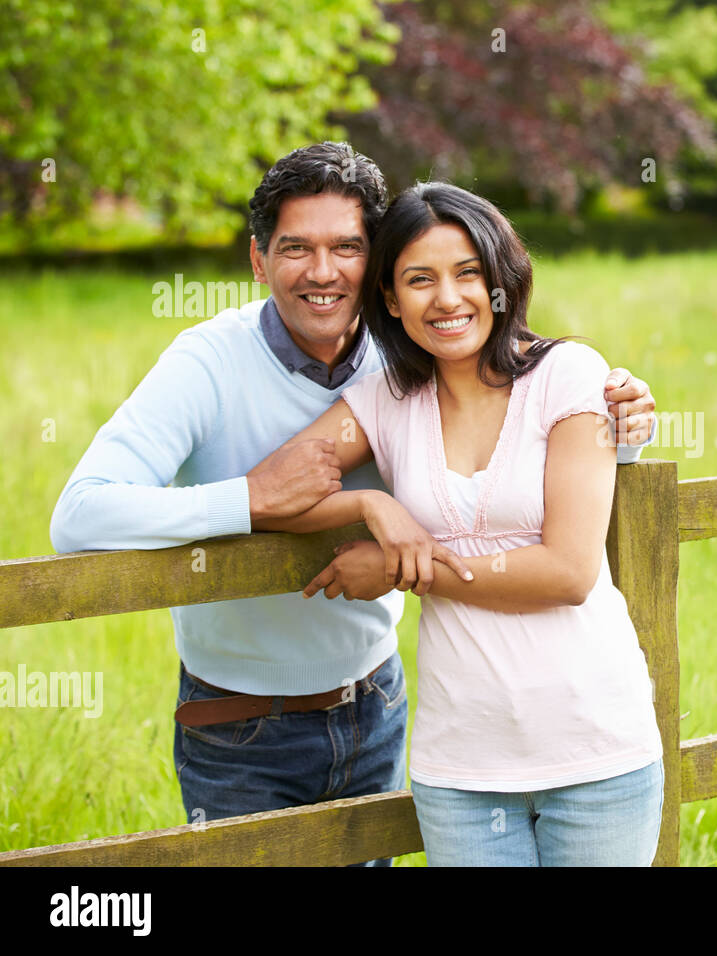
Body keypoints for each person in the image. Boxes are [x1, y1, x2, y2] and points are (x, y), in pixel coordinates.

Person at [48, 143, 658, 865]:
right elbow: (89, 514)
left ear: (374, 268)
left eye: (347, 247)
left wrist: (616, 431)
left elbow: (554, 528)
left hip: (380, 706)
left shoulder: (425, 358)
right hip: (243, 721)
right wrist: (361, 508)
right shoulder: (245, 368)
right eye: (296, 248)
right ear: (258, 260)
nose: (323, 271)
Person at [252, 180, 664, 866]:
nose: (447, 298)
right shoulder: (386, 399)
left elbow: (567, 572)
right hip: (464, 773)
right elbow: (275, 488)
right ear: (390, 299)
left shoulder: (568, 376)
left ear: (500, 280)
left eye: (468, 273)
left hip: (598, 753)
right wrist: (369, 505)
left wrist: (399, 568)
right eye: (419, 279)